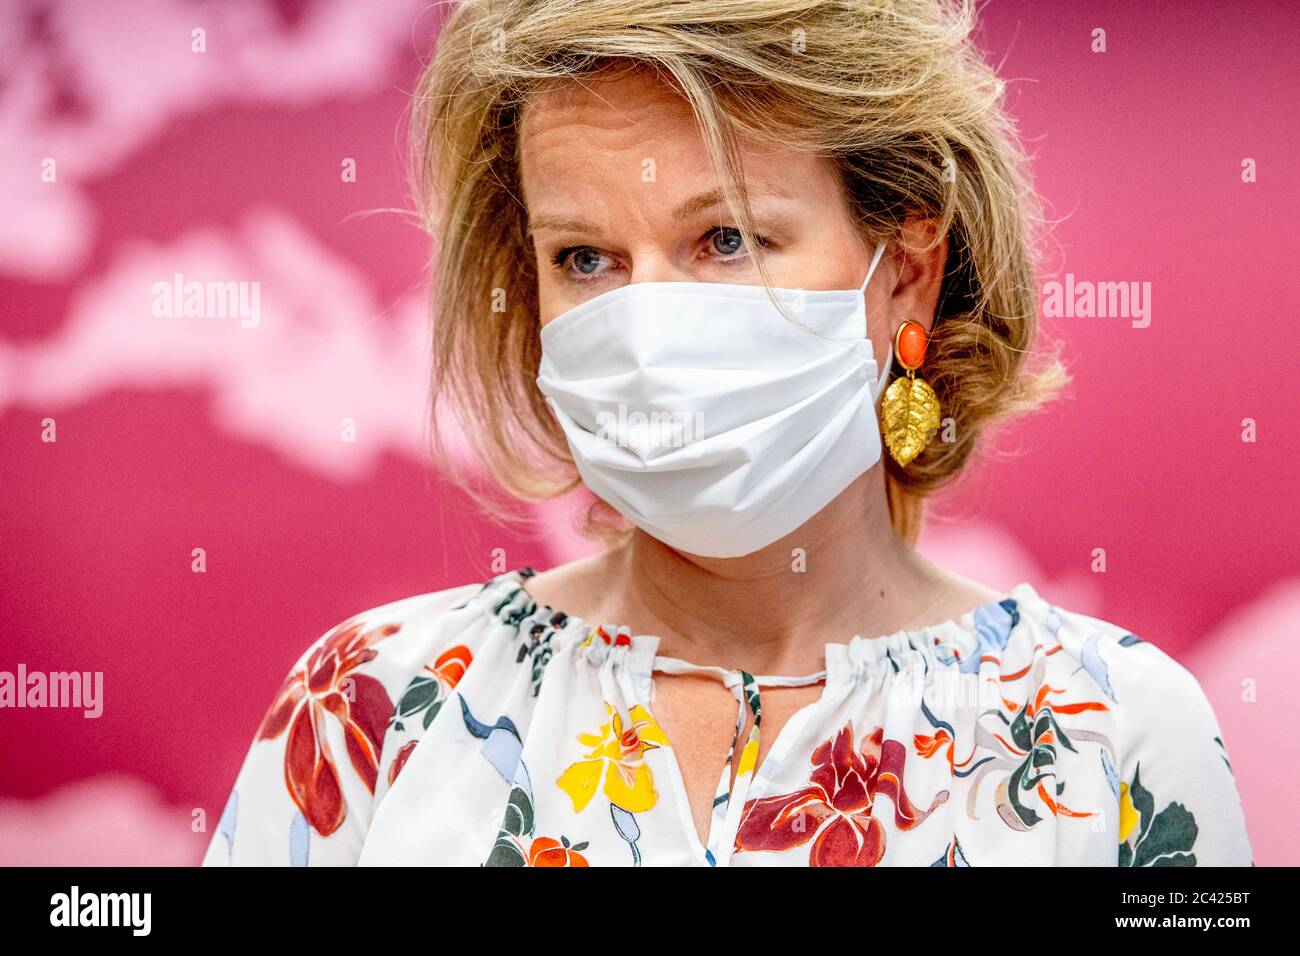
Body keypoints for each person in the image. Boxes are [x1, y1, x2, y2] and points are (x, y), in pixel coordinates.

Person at [204, 0, 1252, 867]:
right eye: (583, 258)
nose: (647, 331)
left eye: (724, 238)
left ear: (906, 269)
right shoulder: (376, 707)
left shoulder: (1111, 734)